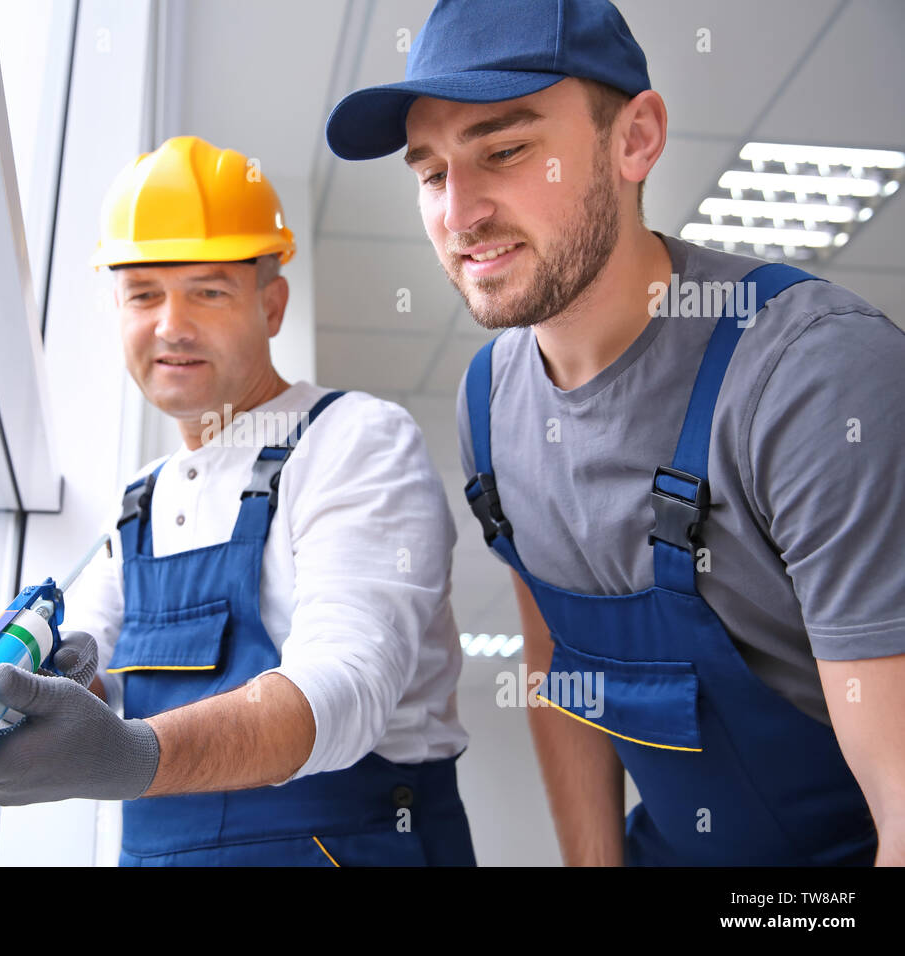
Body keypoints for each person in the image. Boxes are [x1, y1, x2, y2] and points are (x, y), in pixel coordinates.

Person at [325, 0, 905, 866]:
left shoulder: (811, 380)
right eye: (432, 173)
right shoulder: (490, 405)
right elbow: (560, 665)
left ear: (635, 139)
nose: (461, 211)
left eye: (506, 150)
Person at [0, 135, 476, 866]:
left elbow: (346, 686)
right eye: (143, 294)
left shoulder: (355, 440)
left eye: (207, 290)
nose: (170, 324)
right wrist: (30, 694)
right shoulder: (138, 501)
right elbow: (92, 661)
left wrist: (136, 754)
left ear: (272, 304)